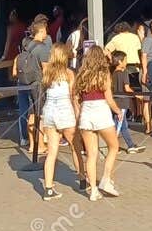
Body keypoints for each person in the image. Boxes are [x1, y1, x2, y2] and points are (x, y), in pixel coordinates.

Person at [74, 46, 123, 200]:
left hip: (86, 112)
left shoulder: (82, 74)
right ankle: (106, 179)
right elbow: (108, 98)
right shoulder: (104, 74)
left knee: (91, 154)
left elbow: (75, 96)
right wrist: (118, 111)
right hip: (101, 110)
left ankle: (93, 191)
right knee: (113, 146)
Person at [38, 42, 79, 200]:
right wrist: (77, 114)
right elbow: (73, 96)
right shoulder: (69, 73)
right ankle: (83, 178)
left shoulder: (47, 72)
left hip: (49, 112)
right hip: (65, 112)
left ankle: (48, 188)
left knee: (52, 152)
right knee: (74, 146)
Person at [13, 15, 52, 158]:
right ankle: (40, 144)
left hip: (26, 82)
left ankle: (31, 144)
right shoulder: (42, 48)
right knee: (40, 115)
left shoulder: (27, 44)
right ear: (41, 32)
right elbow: (46, 69)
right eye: (45, 31)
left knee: (31, 113)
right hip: (38, 84)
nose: (47, 34)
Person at [109, 51, 146, 154]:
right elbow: (127, 88)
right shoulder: (124, 73)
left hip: (115, 101)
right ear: (120, 61)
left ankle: (130, 145)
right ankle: (112, 146)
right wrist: (137, 95)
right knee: (118, 125)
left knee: (123, 125)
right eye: (125, 60)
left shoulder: (112, 73)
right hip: (122, 102)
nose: (126, 62)